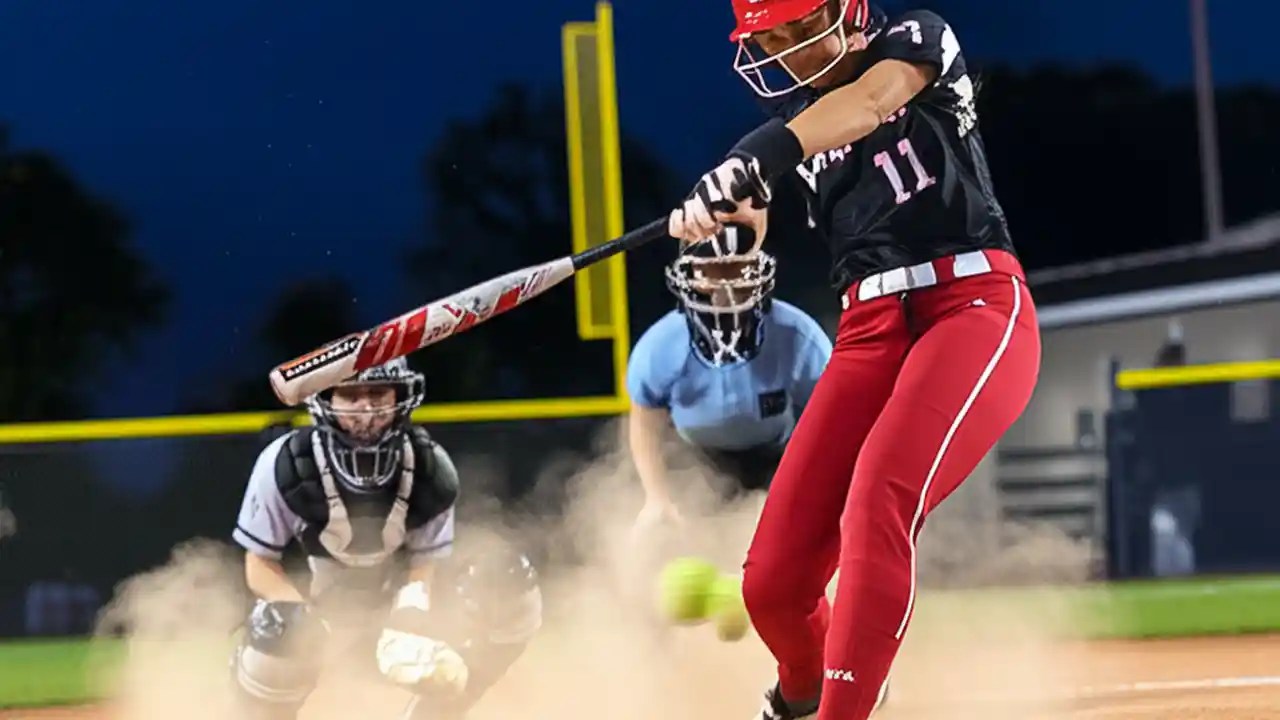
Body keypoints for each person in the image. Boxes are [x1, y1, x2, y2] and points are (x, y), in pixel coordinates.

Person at [666, 2, 1042, 719]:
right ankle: (801, 697)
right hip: (867, 332)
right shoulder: (800, 136)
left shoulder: (916, 40)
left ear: (847, 10)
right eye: (769, 41)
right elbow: (808, 161)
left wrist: (753, 158)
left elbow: (869, 103)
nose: (788, 53)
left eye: (796, 30)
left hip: (972, 307)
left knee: (877, 501)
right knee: (772, 587)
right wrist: (728, 212)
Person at [228, 357, 541, 720]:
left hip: (397, 611)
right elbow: (258, 565)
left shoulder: (429, 467)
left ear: (401, 395)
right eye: (350, 395)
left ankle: (439, 712)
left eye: (378, 392)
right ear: (326, 399)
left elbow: (425, 564)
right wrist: (306, 622)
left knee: (508, 581)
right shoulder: (285, 465)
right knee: (279, 629)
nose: (367, 408)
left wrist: (408, 616)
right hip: (317, 610)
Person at [626, 222, 832, 540]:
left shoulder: (798, 336)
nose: (727, 286)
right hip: (696, 462)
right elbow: (644, 424)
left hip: (777, 458)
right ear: (689, 275)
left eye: (737, 268)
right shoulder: (662, 345)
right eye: (714, 272)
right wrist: (656, 496)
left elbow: (831, 420)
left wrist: (826, 486)